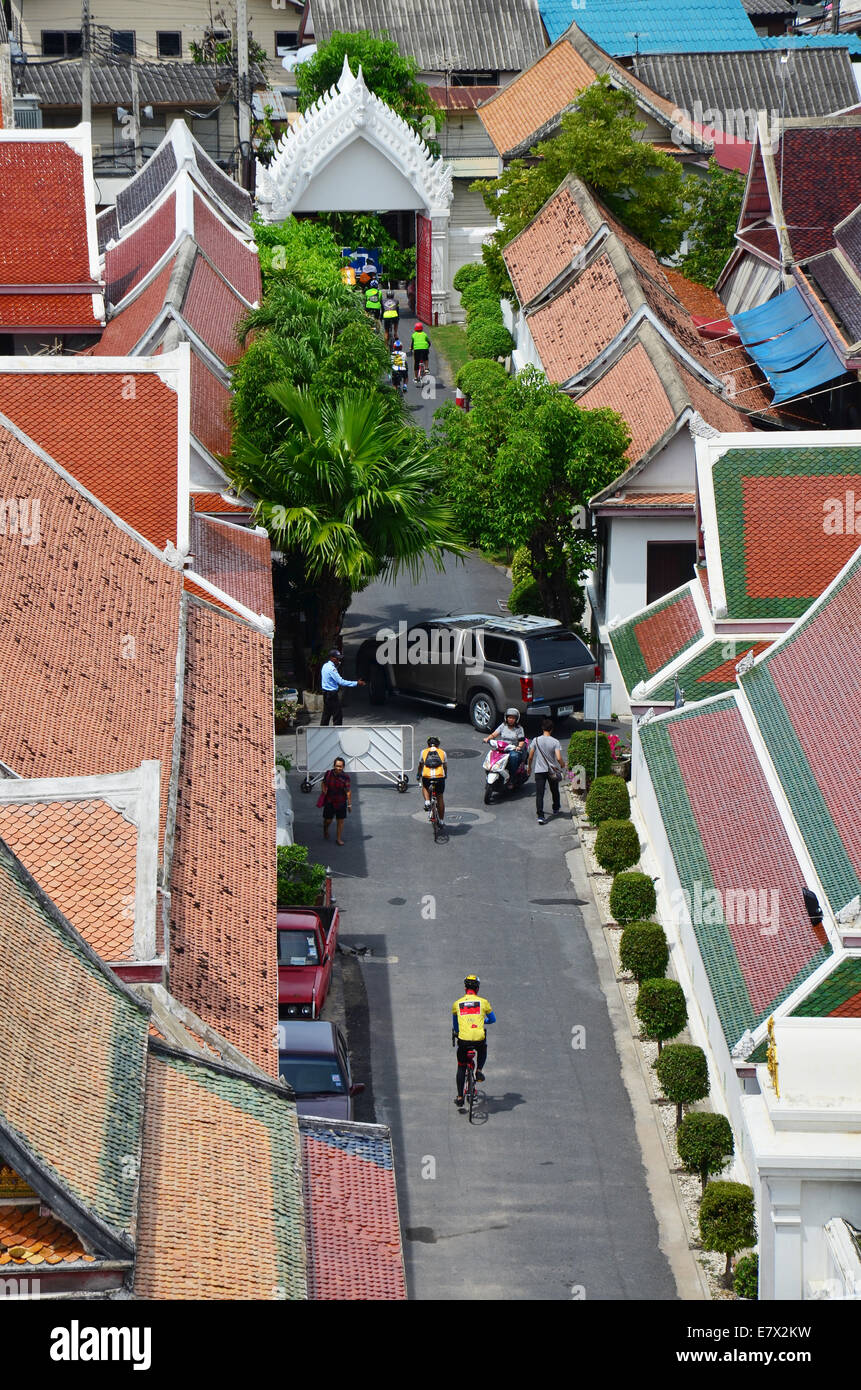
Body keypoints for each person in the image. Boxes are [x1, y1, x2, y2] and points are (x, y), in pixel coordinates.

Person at [451, 974, 496, 1107]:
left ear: (465, 988)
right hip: (478, 1039)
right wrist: (483, 1020)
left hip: (464, 1040)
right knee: (483, 1047)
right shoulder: (484, 1002)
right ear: (477, 989)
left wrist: (459, 1032)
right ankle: (479, 1070)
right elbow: (492, 1019)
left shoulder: (457, 1004)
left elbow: (456, 1025)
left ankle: (460, 1097)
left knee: (461, 1066)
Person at [527, 717, 566, 824]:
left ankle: (540, 816)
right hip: (552, 771)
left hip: (539, 770)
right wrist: (562, 765)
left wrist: (529, 767)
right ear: (552, 729)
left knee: (540, 794)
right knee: (554, 790)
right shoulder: (555, 742)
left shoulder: (535, 740)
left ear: (542, 728)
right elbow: (558, 758)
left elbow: (530, 756)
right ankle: (556, 808)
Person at [320, 649, 365, 726]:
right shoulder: (332, 669)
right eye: (337, 658)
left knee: (326, 715)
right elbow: (341, 682)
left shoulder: (325, 666)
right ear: (332, 658)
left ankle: (321, 733)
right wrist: (356, 683)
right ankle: (337, 733)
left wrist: (337, 665)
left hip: (326, 694)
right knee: (338, 716)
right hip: (332, 695)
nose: (339, 660)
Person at [483, 707, 527, 781]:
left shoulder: (519, 729)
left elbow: (522, 740)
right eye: (509, 717)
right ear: (506, 718)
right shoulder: (503, 726)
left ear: (516, 719)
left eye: (513, 718)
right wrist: (487, 738)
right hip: (501, 748)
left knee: (513, 757)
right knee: (491, 756)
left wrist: (519, 747)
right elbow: (494, 734)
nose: (511, 719)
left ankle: (512, 778)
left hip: (512, 749)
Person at [320, 756, 352, 846]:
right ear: (334, 766)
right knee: (328, 821)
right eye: (337, 766)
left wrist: (349, 805)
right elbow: (323, 783)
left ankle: (338, 839)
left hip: (341, 802)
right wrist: (323, 790)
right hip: (330, 801)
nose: (338, 768)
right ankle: (325, 829)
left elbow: (348, 791)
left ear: (343, 767)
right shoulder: (328, 773)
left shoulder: (346, 777)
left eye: (340, 766)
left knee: (340, 821)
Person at [417, 735, 447, 825]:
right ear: (438, 744)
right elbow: (445, 766)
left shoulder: (423, 752)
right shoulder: (442, 752)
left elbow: (420, 765)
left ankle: (427, 801)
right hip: (439, 777)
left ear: (428, 744)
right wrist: (445, 774)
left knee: (425, 786)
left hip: (427, 776)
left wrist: (419, 774)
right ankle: (441, 821)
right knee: (440, 797)